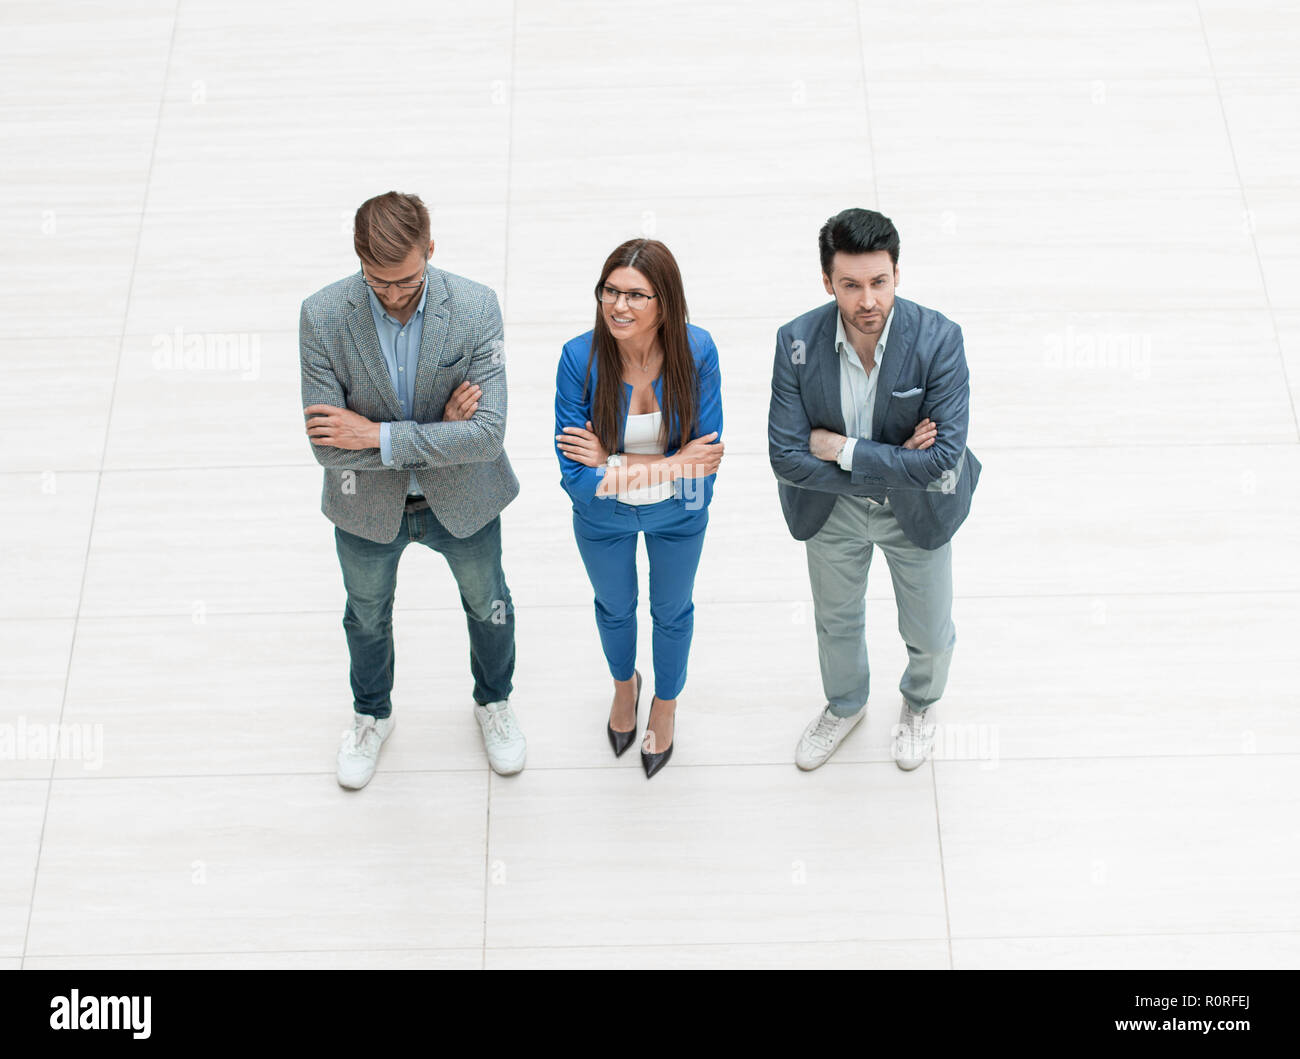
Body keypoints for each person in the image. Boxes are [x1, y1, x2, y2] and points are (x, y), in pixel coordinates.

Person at [300, 190, 525, 789]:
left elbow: (487, 436)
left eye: (407, 280)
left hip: (465, 499)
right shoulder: (322, 317)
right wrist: (440, 429)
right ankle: (371, 714)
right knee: (366, 615)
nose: (395, 296)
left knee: (489, 604)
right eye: (380, 283)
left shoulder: (477, 307)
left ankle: (494, 702)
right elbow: (327, 446)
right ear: (359, 261)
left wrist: (374, 433)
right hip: (366, 507)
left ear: (431, 248)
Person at [768, 208, 982, 773]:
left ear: (896, 274)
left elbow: (940, 460)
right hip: (830, 511)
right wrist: (894, 461)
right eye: (851, 285)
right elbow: (786, 458)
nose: (868, 300)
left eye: (879, 282)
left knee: (930, 630)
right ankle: (844, 705)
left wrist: (842, 450)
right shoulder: (795, 342)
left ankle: (919, 704)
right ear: (827, 282)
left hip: (917, 510)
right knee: (836, 620)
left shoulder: (939, 340)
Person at [555, 238, 724, 779]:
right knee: (615, 607)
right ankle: (625, 688)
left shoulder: (698, 353)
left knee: (672, 611)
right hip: (602, 520)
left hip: (680, 517)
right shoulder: (578, 358)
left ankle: (666, 704)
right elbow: (579, 480)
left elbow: (706, 461)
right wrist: (670, 465)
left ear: (665, 303)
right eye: (609, 291)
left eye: (635, 295)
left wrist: (616, 465)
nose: (618, 306)